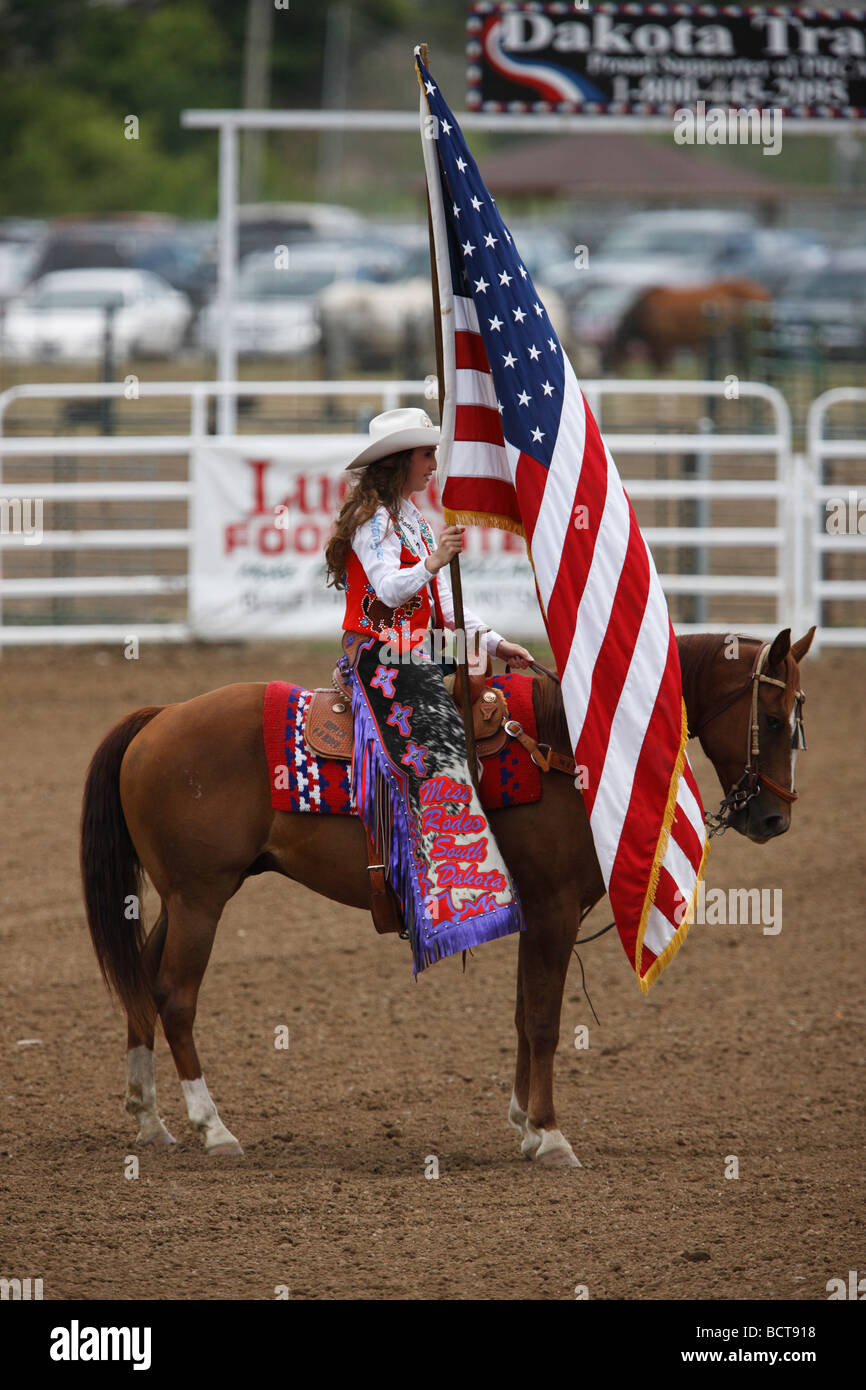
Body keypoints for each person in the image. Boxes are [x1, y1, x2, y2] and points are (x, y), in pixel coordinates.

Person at [324, 407, 530, 972]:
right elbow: (390, 592)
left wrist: (491, 643)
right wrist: (437, 557)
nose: (434, 465)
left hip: (414, 647)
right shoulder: (376, 522)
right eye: (426, 455)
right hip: (378, 651)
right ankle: (437, 879)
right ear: (400, 462)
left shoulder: (411, 516)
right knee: (435, 739)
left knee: (503, 691)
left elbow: (441, 614)